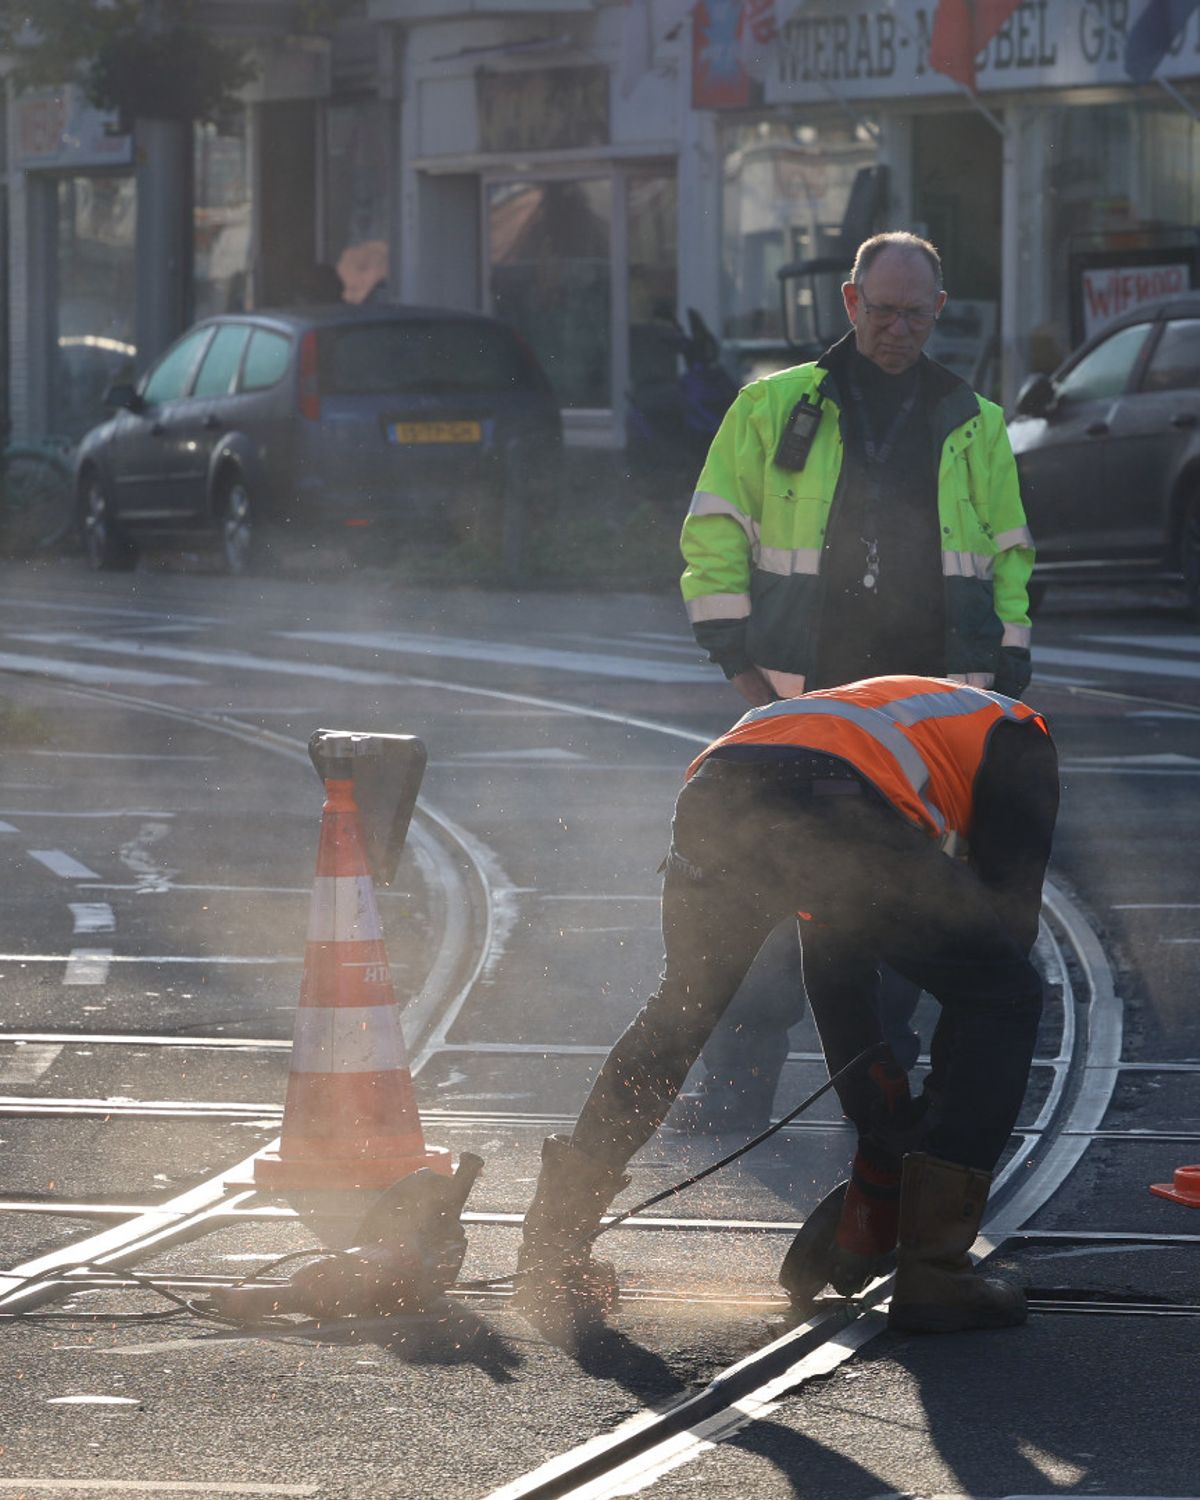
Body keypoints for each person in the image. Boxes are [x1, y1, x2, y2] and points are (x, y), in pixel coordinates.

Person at [516, 675, 1059, 1338]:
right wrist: (923, 1138)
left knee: (681, 1010)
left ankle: (550, 1251)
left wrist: (882, 1139)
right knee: (1004, 995)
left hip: (714, 794)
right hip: (833, 802)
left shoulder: (883, 724)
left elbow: (836, 961)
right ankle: (938, 1271)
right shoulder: (1021, 739)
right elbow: (1003, 946)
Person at [675, 231, 1036, 1130]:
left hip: (917, 716)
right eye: (883, 311)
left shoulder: (972, 420)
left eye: (916, 314)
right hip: (802, 702)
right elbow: (715, 528)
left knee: (903, 908)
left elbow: (1010, 553)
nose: (898, 329)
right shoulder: (773, 407)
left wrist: (1005, 676)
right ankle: (734, 1099)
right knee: (766, 904)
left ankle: (881, 1114)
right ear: (849, 303)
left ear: (939, 313)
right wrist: (738, 664)